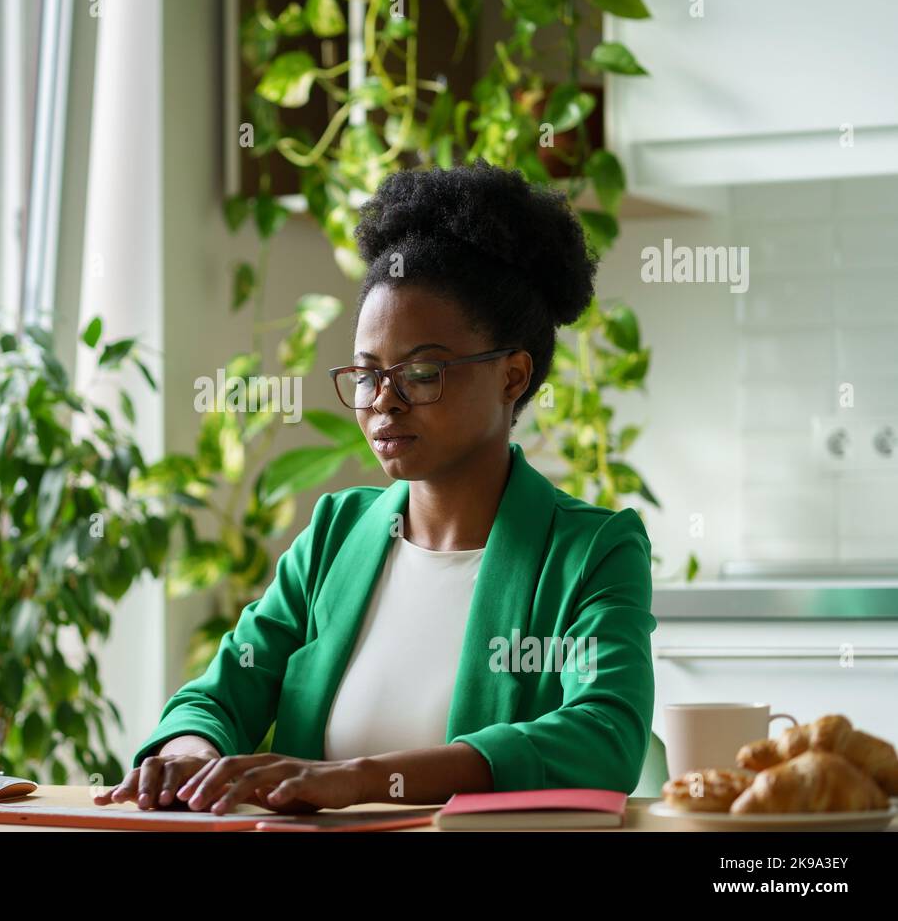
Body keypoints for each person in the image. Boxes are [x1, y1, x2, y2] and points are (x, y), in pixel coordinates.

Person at [95, 161, 656, 815]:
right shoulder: (339, 534)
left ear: (512, 376)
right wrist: (189, 752)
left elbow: (603, 735)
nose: (383, 403)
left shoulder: (591, 551)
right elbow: (221, 692)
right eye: (366, 374)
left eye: (421, 373)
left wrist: (366, 779)